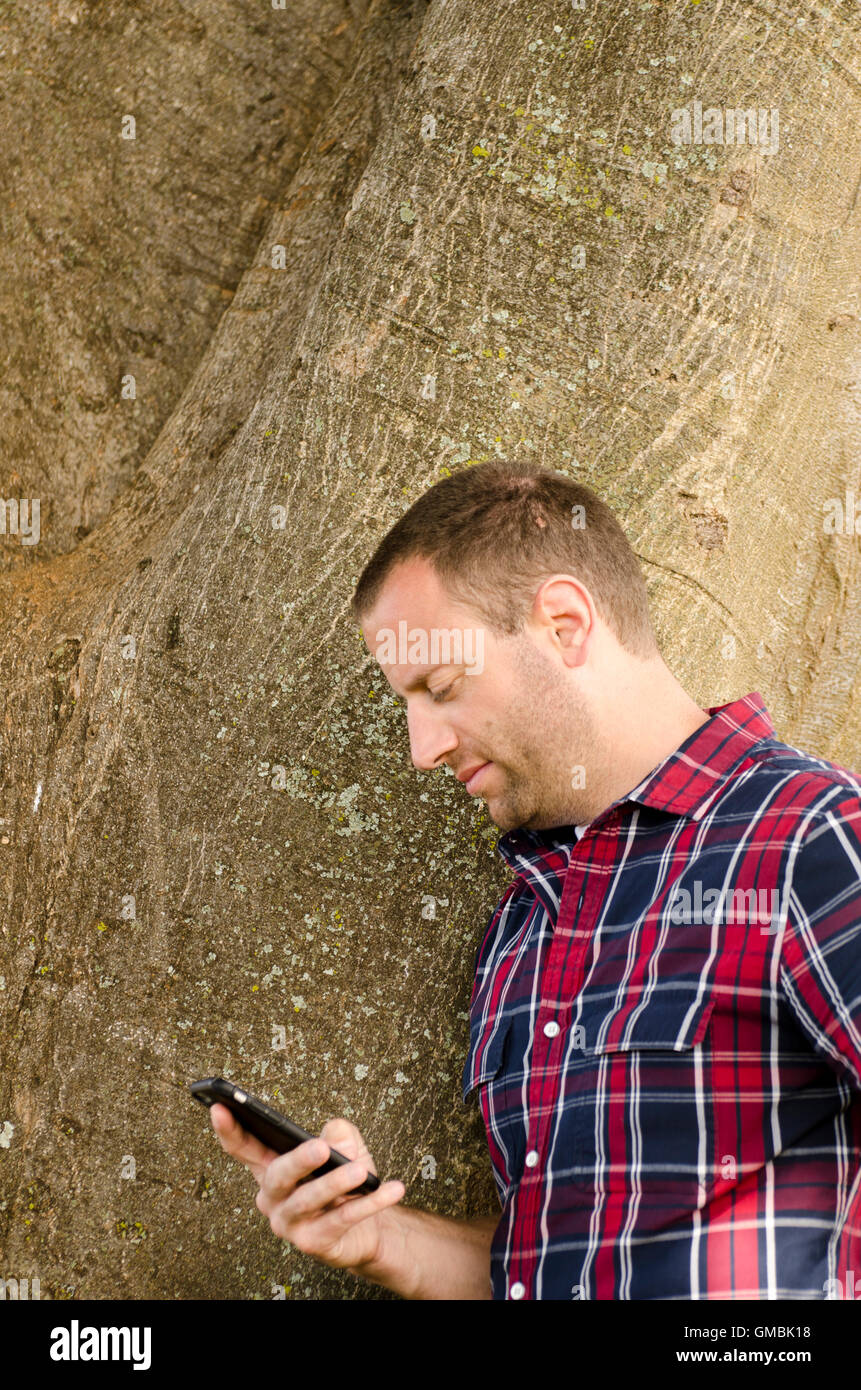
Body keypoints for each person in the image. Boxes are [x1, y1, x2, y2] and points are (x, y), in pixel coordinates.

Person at [211, 460, 861, 1299]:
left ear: (563, 624)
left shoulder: (811, 836)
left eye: (441, 689)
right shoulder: (524, 925)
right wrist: (381, 1239)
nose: (423, 748)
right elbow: (563, 1261)